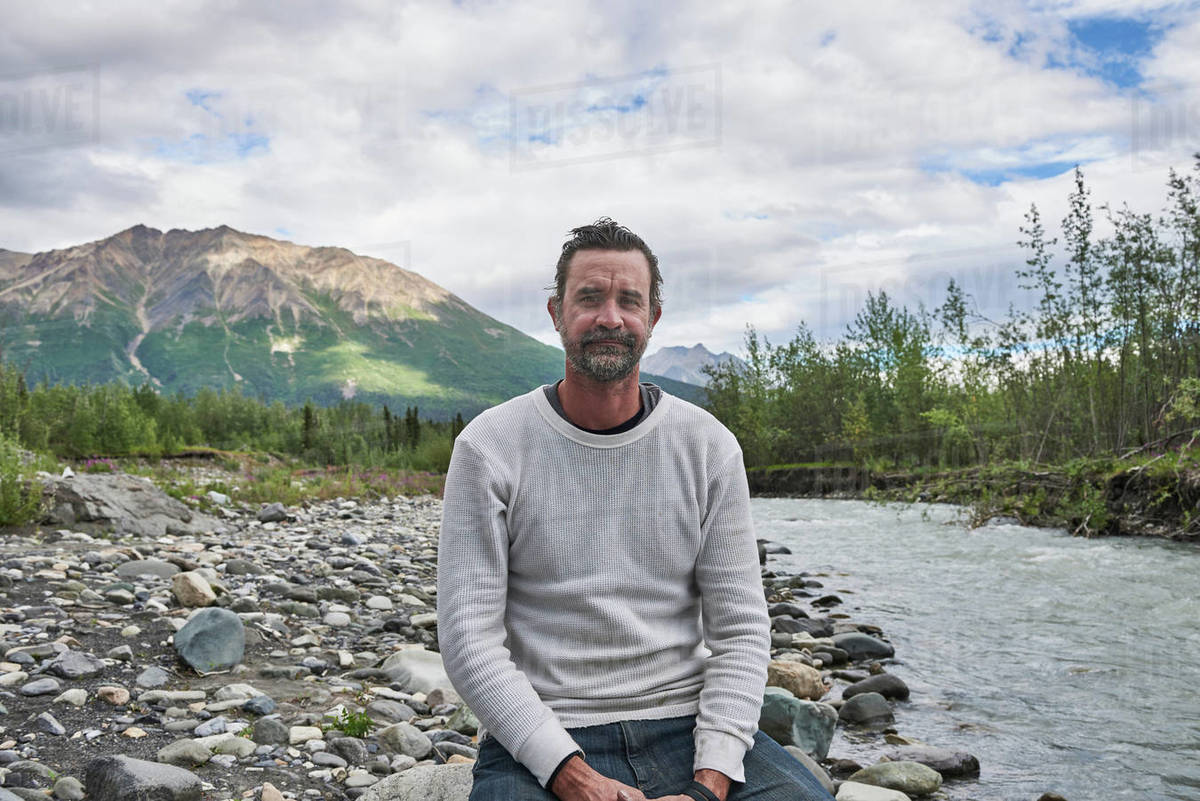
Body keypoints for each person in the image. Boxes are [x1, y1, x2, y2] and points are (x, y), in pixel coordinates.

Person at [437, 218, 833, 801]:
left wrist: (710, 783)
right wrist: (571, 775)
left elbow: (742, 631)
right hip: (543, 732)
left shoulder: (707, 446)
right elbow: (469, 640)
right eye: (589, 298)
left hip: (687, 723)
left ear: (653, 317)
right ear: (555, 313)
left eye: (630, 301)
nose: (610, 318)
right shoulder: (489, 446)